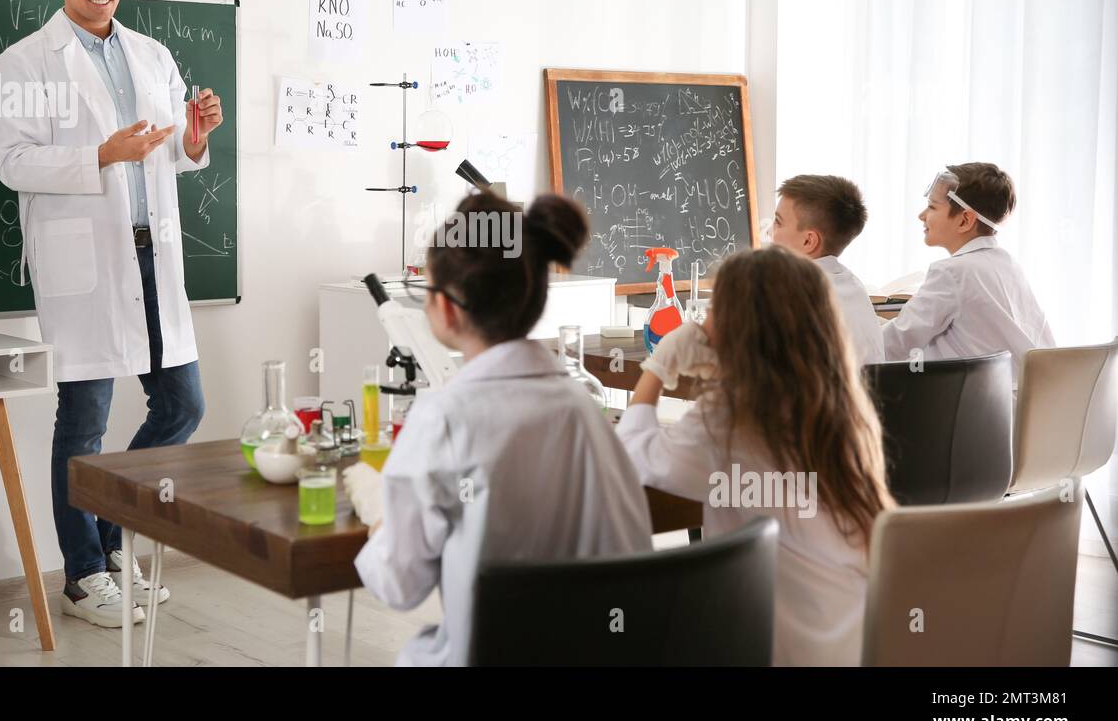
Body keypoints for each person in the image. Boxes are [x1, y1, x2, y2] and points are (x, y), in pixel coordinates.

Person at [0, 0, 224, 627]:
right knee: (83, 423)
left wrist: (195, 138)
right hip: (85, 263)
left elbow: (172, 149)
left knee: (183, 404)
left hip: (155, 253)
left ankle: (112, 544)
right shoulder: (25, 64)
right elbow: (12, 162)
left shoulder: (151, 54)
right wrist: (99, 155)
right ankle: (82, 575)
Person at [352, 191, 653, 666]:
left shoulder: (443, 418)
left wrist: (377, 511)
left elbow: (399, 583)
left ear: (446, 309)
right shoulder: (583, 408)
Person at [618, 246, 894, 665]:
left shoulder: (728, 417)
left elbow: (634, 459)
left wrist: (656, 369)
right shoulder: (849, 413)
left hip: (768, 647)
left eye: (713, 309)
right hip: (851, 642)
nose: (701, 322)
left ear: (737, 328)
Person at [882, 163, 1053, 386]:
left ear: (965, 220)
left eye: (932, 207)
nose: (921, 215)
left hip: (979, 410)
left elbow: (898, 341)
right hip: (1023, 402)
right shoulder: (1008, 264)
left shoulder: (951, 272)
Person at [769, 174, 884, 365]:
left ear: (808, 241)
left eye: (778, 222)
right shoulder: (853, 285)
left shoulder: (793, 294)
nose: (769, 231)